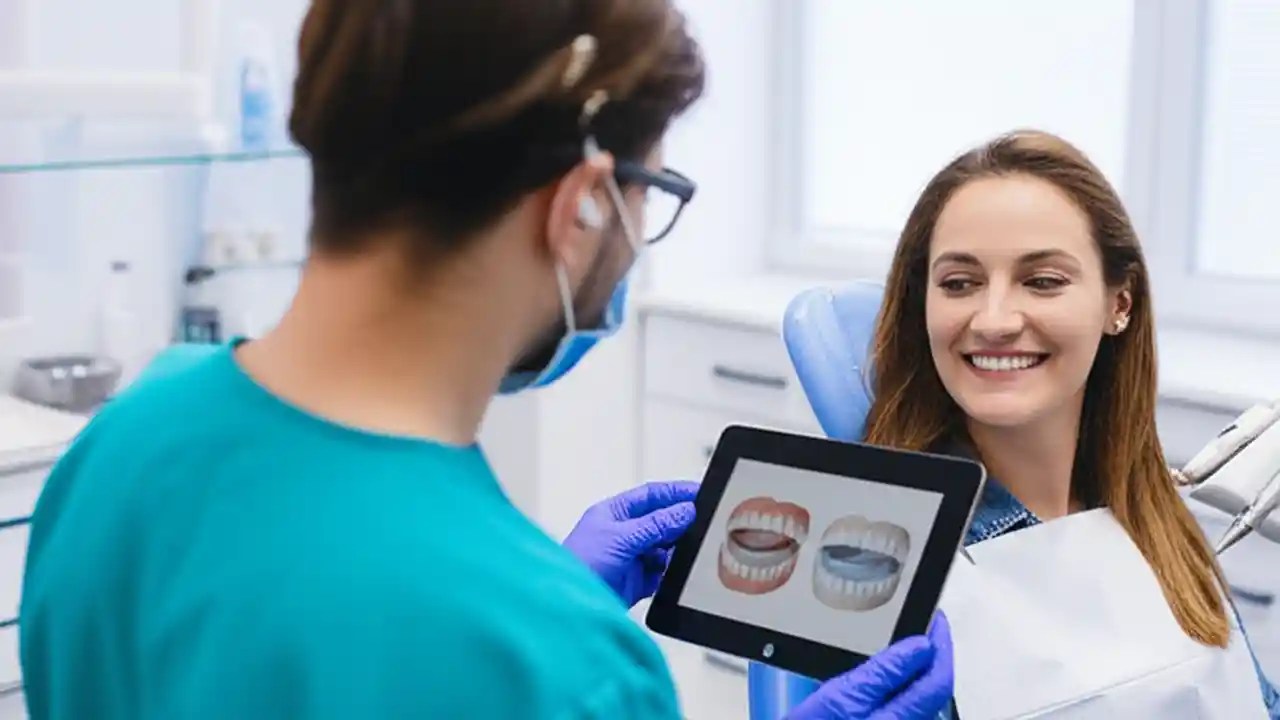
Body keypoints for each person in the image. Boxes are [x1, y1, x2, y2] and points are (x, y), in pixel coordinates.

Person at [17, 2, 952, 718]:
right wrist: (537, 624)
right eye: (651, 192)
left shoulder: (120, 443)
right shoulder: (564, 664)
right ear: (583, 204)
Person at [862, 129, 1279, 717]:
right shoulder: (882, 555)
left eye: (1043, 281)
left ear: (1119, 304)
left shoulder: (1157, 522)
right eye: (960, 284)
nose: (996, 319)